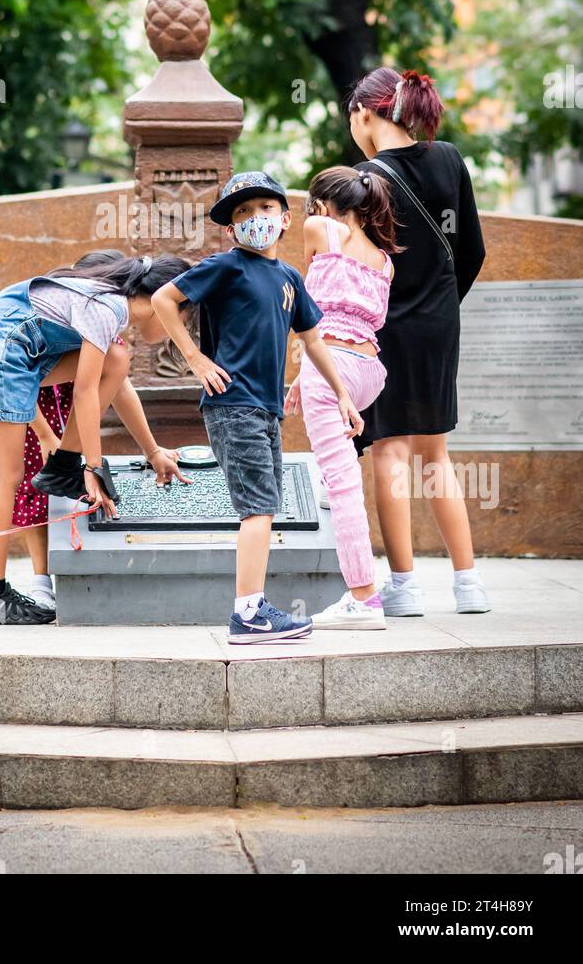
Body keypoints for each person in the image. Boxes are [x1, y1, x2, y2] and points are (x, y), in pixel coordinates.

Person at [152, 171, 366, 644]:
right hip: (233, 404)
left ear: (286, 218)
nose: (255, 218)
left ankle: (252, 608)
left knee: (263, 507)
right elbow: (164, 298)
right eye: (242, 212)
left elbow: (313, 341)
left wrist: (344, 395)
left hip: (266, 409)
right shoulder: (225, 266)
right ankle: (248, 613)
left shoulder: (289, 278)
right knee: (257, 510)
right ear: (230, 228)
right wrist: (195, 358)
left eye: (265, 208)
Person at [0, 252, 190, 625]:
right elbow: (84, 392)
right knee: (6, 476)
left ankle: (62, 465)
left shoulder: (111, 307)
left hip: (16, 348)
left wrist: (152, 450)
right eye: (185, 314)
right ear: (168, 300)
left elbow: (118, 385)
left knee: (116, 358)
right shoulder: (107, 307)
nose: (181, 326)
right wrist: (92, 467)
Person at [348, 67, 489, 615]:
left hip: (384, 328)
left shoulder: (363, 179)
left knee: (390, 452)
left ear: (365, 113)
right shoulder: (449, 159)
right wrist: (439, 307)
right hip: (439, 326)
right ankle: (469, 584)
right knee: (436, 455)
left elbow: (359, 267)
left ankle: (403, 587)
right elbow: (471, 250)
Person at [287, 166, 397, 630]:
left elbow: (309, 308)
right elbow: (356, 321)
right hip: (368, 370)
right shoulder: (384, 258)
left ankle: (363, 597)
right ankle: (363, 580)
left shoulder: (317, 227)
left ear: (321, 203)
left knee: (342, 482)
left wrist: (308, 370)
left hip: (330, 363)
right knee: (341, 478)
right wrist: (304, 377)